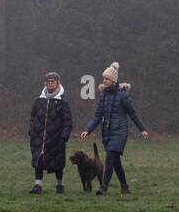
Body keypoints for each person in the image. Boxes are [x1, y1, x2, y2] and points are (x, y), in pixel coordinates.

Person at [80, 62, 148, 195]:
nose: (104, 81)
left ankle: (104, 187)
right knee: (115, 162)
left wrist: (142, 129)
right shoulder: (103, 96)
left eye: (107, 79)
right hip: (107, 133)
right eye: (103, 78)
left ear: (113, 80)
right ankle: (124, 186)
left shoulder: (123, 96)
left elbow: (133, 113)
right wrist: (88, 129)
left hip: (120, 132)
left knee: (110, 157)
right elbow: (97, 116)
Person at [28, 71, 72, 193]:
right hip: (39, 137)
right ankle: (38, 185)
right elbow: (33, 117)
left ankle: (59, 184)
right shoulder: (39, 101)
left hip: (56, 138)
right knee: (38, 160)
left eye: (53, 81)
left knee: (58, 162)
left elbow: (68, 121)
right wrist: (31, 131)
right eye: (48, 81)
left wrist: (64, 136)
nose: (50, 84)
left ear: (58, 83)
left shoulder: (63, 102)